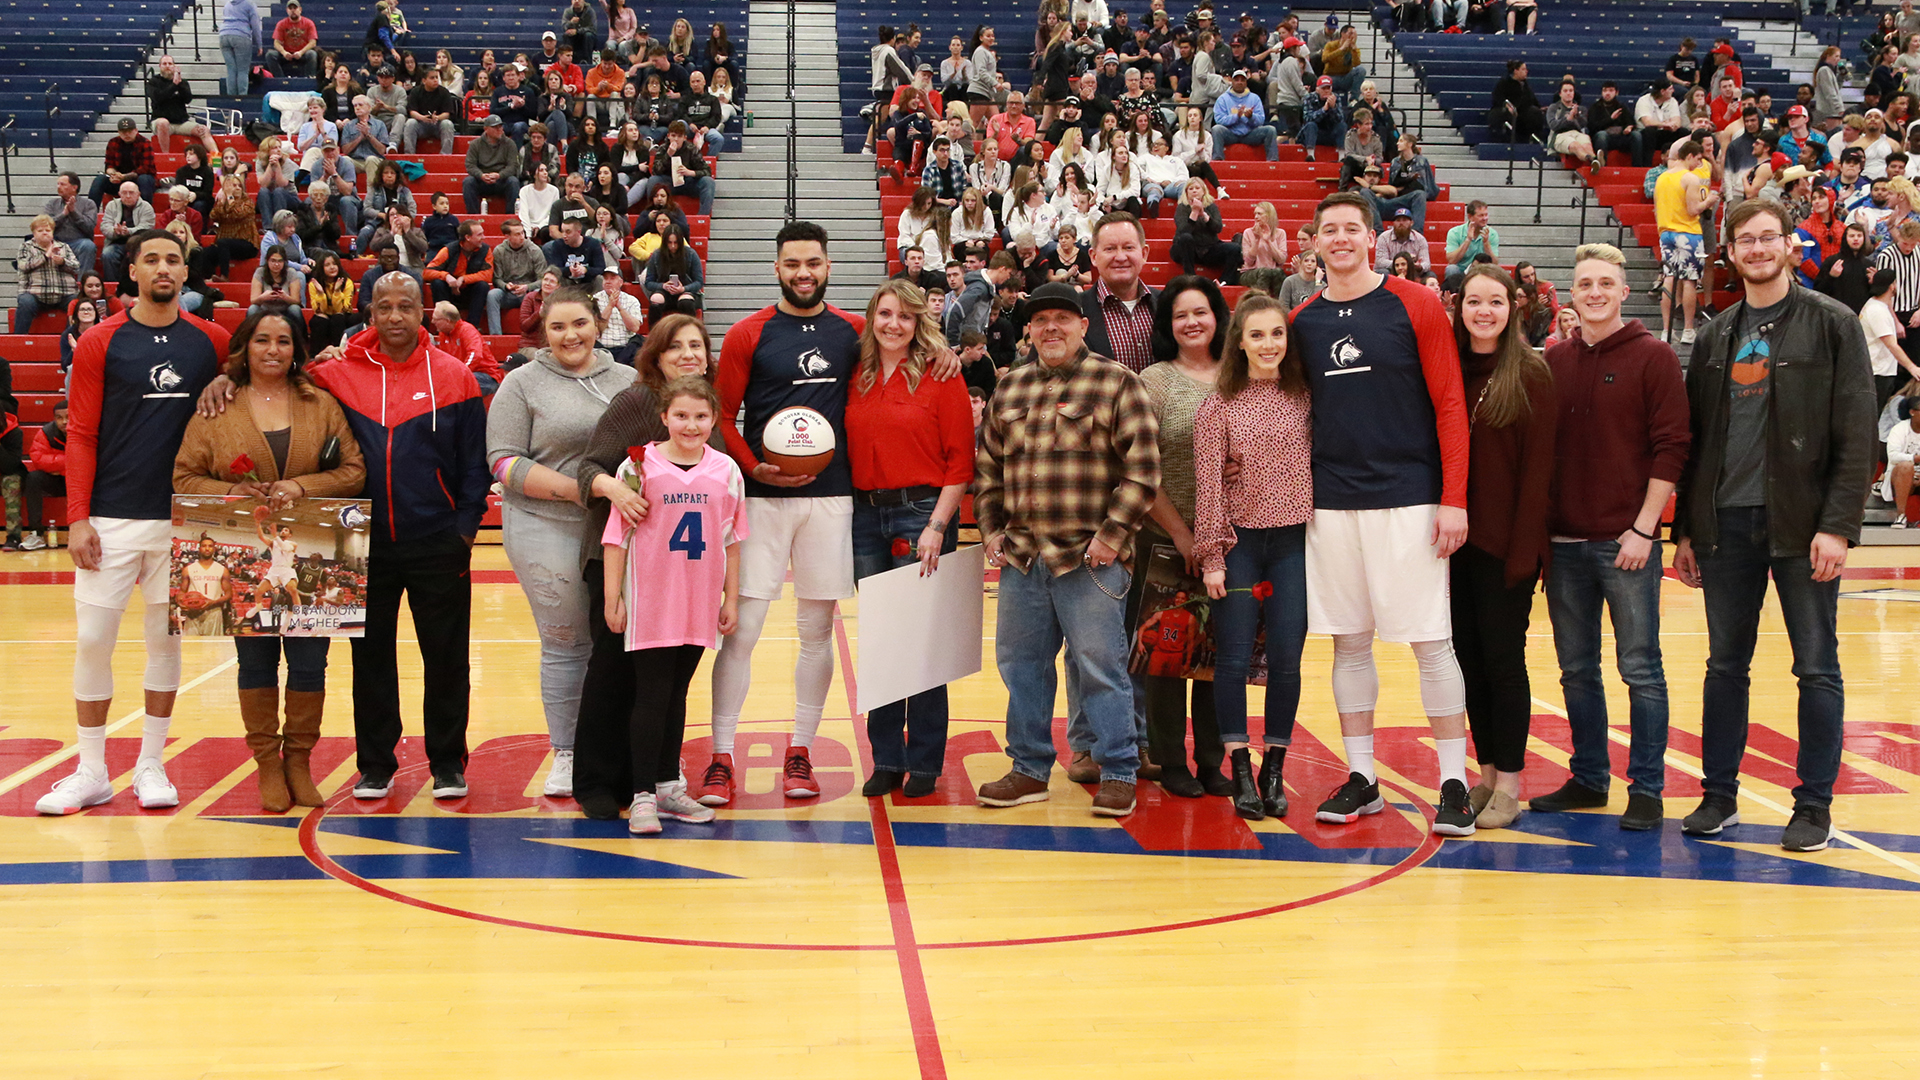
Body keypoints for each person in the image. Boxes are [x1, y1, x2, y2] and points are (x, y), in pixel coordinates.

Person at [1670, 199, 1876, 851]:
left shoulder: (1833, 323)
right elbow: (1696, 441)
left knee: (1816, 666)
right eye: (1745, 241)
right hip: (1725, 524)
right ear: (1730, 253)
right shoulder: (1714, 334)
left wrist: (1838, 525)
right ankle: (1719, 796)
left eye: (1768, 238)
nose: (1757, 249)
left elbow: (1858, 428)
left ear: (1791, 246)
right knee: (1724, 665)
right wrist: (1685, 529)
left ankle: (1813, 806)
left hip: (1803, 522)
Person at [1288, 192, 1476, 838]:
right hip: (1331, 502)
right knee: (1349, 641)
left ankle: (1454, 781)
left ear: (1372, 237)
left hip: (1412, 497)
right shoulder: (1302, 321)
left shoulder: (1416, 303)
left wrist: (1455, 497)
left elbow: (1451, 403)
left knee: (1431, 642)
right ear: (1312, 242)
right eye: (1328, 229)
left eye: (1351, 228)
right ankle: (1361, 776)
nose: (1339, 238)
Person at [35, 229, 232, 816]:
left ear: (186, 271)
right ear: (134, 272)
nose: (164, 268)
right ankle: (92, 769)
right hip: (110, 518)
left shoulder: (213, 341)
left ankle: (151, 763)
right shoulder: (100, 341)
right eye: (152, 260)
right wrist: (76, 519)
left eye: (174, 259)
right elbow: (82, 435)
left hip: (183, 521)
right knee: (94, 641)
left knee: (164, 644)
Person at [974, 281, 1160, 817]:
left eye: (1062, 318)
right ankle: (1029, 769)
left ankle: (1119, 769)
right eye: (1040, 321)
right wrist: (990, 530)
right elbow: (987, 470)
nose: (1050, 328)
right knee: (1021, 665)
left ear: (1083, 325)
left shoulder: (1117, 383)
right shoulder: (1009, 389)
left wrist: (1111, 536)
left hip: (1090, 560)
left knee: (1101, 667)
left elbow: (1142, 472)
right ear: (1027, 330)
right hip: (1024, 558)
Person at [171, 306, 365, 810]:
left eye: (283, 340)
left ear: (297, 349)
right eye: (262, 340)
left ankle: (299, 760)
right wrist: (233, 490)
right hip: (244, 557)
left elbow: (354, 470)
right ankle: (265, 763)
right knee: (254, 661)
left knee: (309, 664)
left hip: (310, 555)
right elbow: (185, 478)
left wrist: (303, 485)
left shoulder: (320, 403)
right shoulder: (217, 406)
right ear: (245, 347)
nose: (273, 350)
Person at [698, 220, 863, 805]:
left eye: (813, 263)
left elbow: (909, 358)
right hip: (762, 500)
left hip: (831, 497)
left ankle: (801, 752)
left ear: (827, 266)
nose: (803, 273)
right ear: (776, 268)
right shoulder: (749, 333)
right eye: (792, 263)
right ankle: (720, 755)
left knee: (817, 632)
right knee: (739, 630)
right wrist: (751, 467)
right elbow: (720, 416)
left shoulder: (854, 332)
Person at [1530, 243, 1690, 831]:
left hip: (1628, 543)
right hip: (1565, 546)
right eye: (1584, 284)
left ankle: (1646, 787)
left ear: (1624, 291)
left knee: (1640, 668)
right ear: (1571, 293)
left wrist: (1645, 530)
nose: (1594, 292)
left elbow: (1672, 447)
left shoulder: (1654, 357)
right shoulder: (1553, 359)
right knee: (1576, 670)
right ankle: (1590, 778)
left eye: (1605, 283)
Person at [486, 283, 638, 800]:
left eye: (579, 323)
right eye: (557, 326)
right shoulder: (522, 383)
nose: (569, 335)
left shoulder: (629, 379)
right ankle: (569, 751)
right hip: (545, 523)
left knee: (626, 642)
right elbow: (503, 461)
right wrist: (581, 491)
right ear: (543, 331)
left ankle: (630, 750)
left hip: (621, 530)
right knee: (567, 643)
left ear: (598, 322)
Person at [570, 314, 715, 819]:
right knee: (611, 672)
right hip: (618, 561)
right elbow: (589, 467)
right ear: (655, 355)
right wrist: (613, 489)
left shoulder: (698, 407)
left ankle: (651, 783)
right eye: (676, 347)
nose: (688, 354)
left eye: (696, 345)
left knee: (662, 684)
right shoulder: (636, 401)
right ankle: (593, 781)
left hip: (673, 569)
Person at [844, 280, 975, 798]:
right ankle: (885, 759)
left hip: (922, 513)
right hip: (864, 515)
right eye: (885, 314)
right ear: (872, 318)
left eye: (905, 316)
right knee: (881, 642)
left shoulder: (942, 378)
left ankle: (924, 760)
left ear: (920, 322)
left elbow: (959, 462)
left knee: (922, 644)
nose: (893, 325)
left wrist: (938, 526)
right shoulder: (857, 374)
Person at [600, 374, 740, 834]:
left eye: (701, 416)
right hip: (652, 599)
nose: (691, 424)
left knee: (677, 693)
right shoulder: (638, 467)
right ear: (664, 417)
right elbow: (616, 538)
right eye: (681, 415)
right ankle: (642, 796)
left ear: (715, 419)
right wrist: (612, 597)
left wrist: (731, 598)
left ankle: (666, 785)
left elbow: (733, 540)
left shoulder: (725, 469)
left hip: (698, 599)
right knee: (653, 694)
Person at [1192, 290, 1311, 818]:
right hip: (1239, 544)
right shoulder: (1218, 404)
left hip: (1291, 545)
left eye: (1277, 333)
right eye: (1257, 334)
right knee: (1234, 659)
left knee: (1287, 659)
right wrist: (1212, 554)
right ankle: (1239, 765)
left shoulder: (1305, 394)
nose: (1268, 344)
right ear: (1239, 341)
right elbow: (1208, 485)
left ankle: (1274, 767)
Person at [1449, 265, 1556, 830]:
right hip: (1454, 549)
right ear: (1459, 307)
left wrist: (1525, 554)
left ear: (1512, 307)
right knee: (1468, 664)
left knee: (1504, 663)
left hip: (1505, 548)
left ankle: (1511, 783)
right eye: (1473, 302)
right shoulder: (1447, 369)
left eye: (1494, 302)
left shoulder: (1532, 373)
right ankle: (1486, 772)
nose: (1483, 312)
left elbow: (1539, 473)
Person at [1135, 276, 1233, 800]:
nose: (1191, 323)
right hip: (1166, 539)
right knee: (1167, 656)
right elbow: (1140, 471)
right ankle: (1171, 760)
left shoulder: (1242, 375)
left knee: (1221, 657)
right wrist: (1185, 535)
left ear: (1218, 317)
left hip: (1233, 540)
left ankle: (1213, 761)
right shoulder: (1152, 380)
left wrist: (1217, 539)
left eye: (1200, 312)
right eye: (1179, 316)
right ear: (1167, 326)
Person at [1655, 140, 1719, 344]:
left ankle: (1666, 329)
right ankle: (1688, 329)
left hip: (1666, 232)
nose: (1699, 163)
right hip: (1688, 232)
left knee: (1669, 278)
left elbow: (1656, 209)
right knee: (1689, 280)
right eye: (1698, 159)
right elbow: (1693, 210)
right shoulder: (1690, 178)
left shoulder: (1662, 177)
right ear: (1689, 156)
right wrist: (1709, 201)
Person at [14, 215, 80, 333]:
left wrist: (63, 262)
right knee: (25, 302)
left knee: (77, 302)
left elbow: (76, 267)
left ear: (53, 232)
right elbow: (23, 265)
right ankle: (18, 340)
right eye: (40, 230)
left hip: (64, 293)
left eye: (48, 230)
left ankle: (69, 339)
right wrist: (45, 256)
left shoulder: (64, 246)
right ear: (34, 233)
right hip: (34, 294)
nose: (45, 233)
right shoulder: (26, 247)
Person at [642, 225, 704, 323]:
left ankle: (689, 332)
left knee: (686, 302)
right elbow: (649, 283)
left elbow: (699, 282)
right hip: (664, 292)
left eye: (676, 243)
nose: (673, 246)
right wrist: (663, 286)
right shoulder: (657, 255)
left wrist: (684, 289)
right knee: (655, 300)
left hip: (686, 291)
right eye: (670, 243)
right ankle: (655, 334)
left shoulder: (691, 254)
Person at [1211, 70, 1277, 161]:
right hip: (1230, 133)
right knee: (1217, 129)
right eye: (1237, 80)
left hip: (1250, 133)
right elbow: (1219, 119)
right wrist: (1236, 116)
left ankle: (1272, 161)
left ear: (1246, 83)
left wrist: (1251, 117)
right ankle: (1218, 159)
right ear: (1232, 82)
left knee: (1270, 130)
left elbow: (1261, 120)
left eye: (1242, 80)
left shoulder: (1254, 98)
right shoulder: (1222, 99)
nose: (1239, 82)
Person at [1442, 200, 1499, 293]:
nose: (1485, 218)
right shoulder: (1455, 232)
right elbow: (1451, 260)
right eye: (1481, 215)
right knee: (1451, 269)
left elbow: (1495, 263)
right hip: (1461, 272)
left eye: (1486, 215)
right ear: (1470, 217)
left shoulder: (1492, 234)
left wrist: (1486, 243)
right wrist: (1468, 240)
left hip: (1482, 272)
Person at [402, 68, 458, 153]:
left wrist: (437, 117)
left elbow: (447, 113)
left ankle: (445, 156)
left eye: (436, 77)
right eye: (432, 78)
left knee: (448, 124)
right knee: (410, 123)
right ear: (424, 81)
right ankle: (409, 155)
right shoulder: (415, 91)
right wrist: (422, 118)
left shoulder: (444, 92)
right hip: (421, 125)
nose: (435, 80)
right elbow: (412, 111)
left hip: (438, 125)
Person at [1884, 398, 1920, 528]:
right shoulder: (1899, 429)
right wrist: (1916, 459)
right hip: (1899, 477)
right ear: (1912, 412)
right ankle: (1901, 516)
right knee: (1906, 466)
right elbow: (1893, 456)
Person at [1489, 60, 1544, 145]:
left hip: (1522, 113)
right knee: (1506, 115)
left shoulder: (1525, 85)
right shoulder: (1504, 83)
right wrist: (1508, 106)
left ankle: (1533, 141)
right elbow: (1498, 98)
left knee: (1535, 113)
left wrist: (1540, 108)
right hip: (1508, 112)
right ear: (1516, 71)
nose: (1526, 71)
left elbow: (1531, 99)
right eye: (1523, 69)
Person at [219, 0, 264, 97]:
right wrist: (259, 45)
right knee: (242, 69)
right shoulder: (249, 4)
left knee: (231, 69)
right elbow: (255, 25)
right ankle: (241, 97)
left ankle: (231, 98)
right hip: (241, 35)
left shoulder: (228, 4)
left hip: (223, 35)